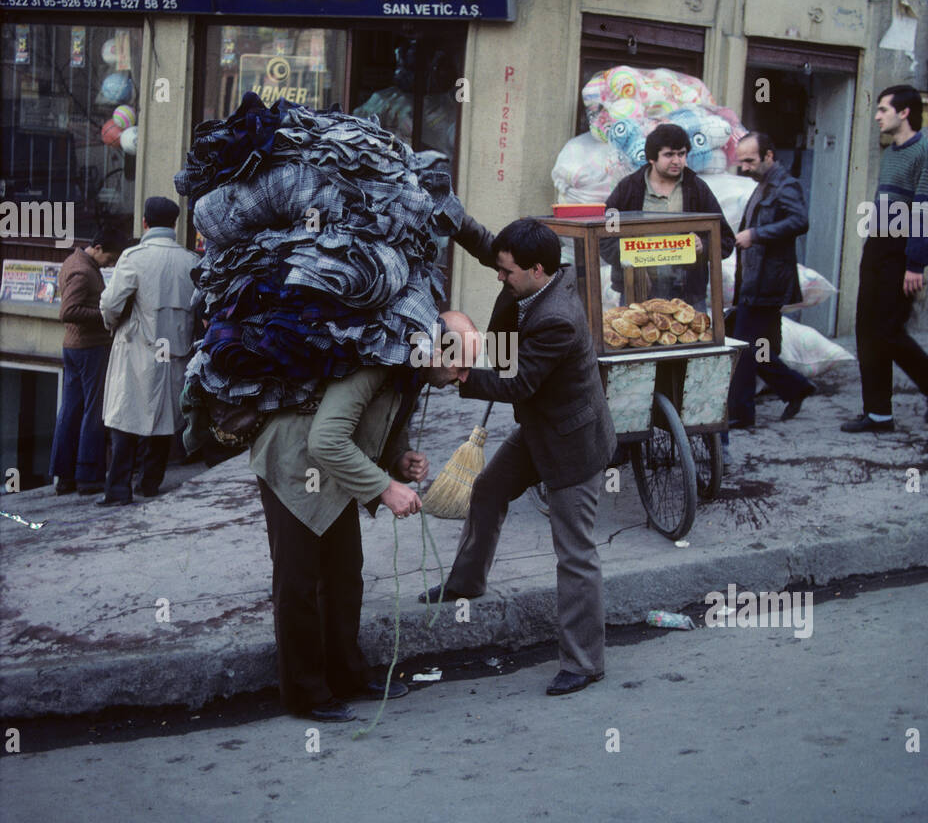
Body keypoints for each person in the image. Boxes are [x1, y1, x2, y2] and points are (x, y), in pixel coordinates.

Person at [421, 217, 617, 698]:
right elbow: (490, 246)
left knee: (575, 553)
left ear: (535, 270)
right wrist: (457, 218)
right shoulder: (533, 274)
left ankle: (584, 661)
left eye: (507, 273)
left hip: (572, 443)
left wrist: (458, 374)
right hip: (541, 428)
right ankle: (467, 582)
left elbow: (517, 383)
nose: (499, 277)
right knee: (487, 489)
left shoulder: (557, 318)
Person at [249, 315, 475, 722]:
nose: (461, 377)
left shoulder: (411, 369)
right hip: (294, 466)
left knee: (344, 575)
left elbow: (383, 418)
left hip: (335, 474)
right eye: (459, 366)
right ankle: (305, 694)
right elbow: (326, 438)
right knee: (298, 582)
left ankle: (347, 674)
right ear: (437, 350)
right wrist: (386, 488)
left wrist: (398, 458)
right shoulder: (377, 364)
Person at [98, 197, 198, 504]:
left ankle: (118, 490)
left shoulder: (133, 257)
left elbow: (110, 304)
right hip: (174, 352)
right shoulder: (191, 261)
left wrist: (112, 323)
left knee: (125, 419)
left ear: (144, 222)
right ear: (175, 224)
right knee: (165, 420)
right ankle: (150, 483)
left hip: (136, 350)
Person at [841, 84, 928, 433]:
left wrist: (915, 263)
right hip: (877, 246)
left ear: (904, 112)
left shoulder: (924, 150)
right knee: (867, 331)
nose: (876, 116)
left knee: (889, 332)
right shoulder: (891, 152)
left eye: (883, 109)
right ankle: (878, 414)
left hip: (901, 252)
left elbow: (924, 209)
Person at [726, 132, 817, 427]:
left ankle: (741, 413)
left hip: (768, 281)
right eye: (741, 162)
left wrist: (757, 235)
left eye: (750, 160)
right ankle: (795, 387)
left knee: (742, 344)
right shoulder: (762, 184)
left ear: (769, 156)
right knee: (755, 346)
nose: (744, 168)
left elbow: (800, 221)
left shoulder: (784, 185)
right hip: (756, 279)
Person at [601, 122, 736, 305]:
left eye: (681, 154)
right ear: (652, 158)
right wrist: (631, 263)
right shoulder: (629, 188)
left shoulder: (697, 189)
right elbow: (605, 235)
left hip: (687, 294)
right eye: (668, 155)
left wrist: (703, 246)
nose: (677, 161)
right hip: (637, 292)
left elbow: (726, 239)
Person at [49, 227, 126, 495]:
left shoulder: (73, 261)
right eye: (111, 258)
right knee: (92, 411)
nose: (112, 264)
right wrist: (105, 313)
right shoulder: (83, 271)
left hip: (73, 347)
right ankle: (88, 476)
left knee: (70, 410)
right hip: (89, 347)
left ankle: (65, 476)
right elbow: (68, 311)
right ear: (99, 248)